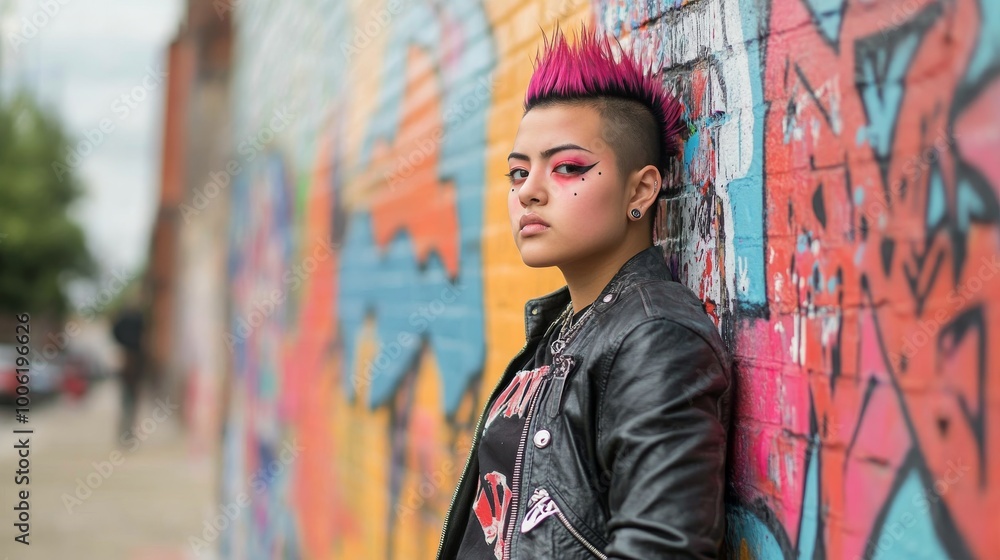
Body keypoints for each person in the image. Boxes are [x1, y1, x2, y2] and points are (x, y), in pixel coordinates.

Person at [436, 25, 732, 559]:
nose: (529, 191)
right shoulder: (561, 329)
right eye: (518, 172)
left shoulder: (654, 338)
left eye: (568, 167)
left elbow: (663, 549)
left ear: (639, 190)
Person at [111, 290, 148, 442]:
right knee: (130, 399)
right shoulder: (137, 319)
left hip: (131, 358)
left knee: (127, 399)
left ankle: (126, 430)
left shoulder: (128, 319)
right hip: (133, 358)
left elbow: (114, 332)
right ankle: (127, 430)